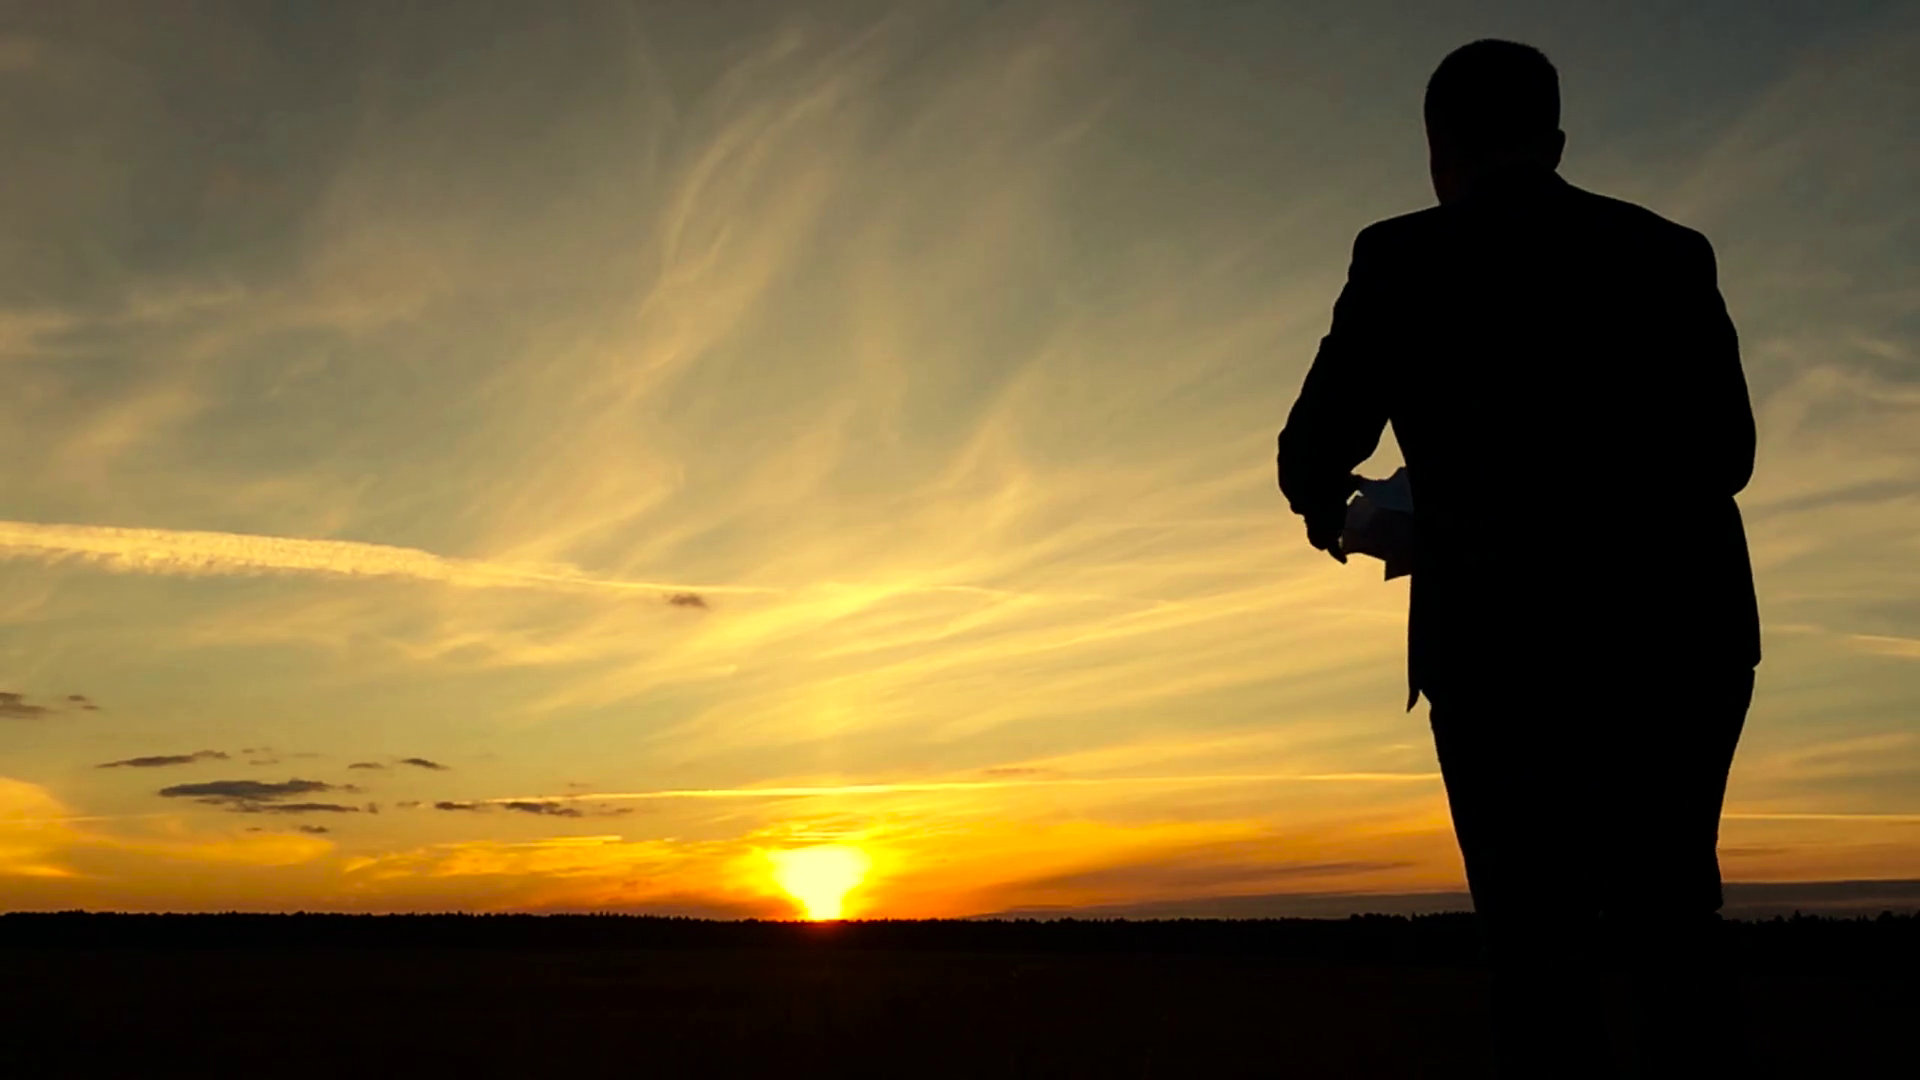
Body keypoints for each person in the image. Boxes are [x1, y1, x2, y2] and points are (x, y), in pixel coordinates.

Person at [1275, 39, 1762, 1080]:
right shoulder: (1671, 254)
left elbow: (1313, 451)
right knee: (1674, 922)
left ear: (1439, 148)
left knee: (1537, 952)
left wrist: (1343, 514)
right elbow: (1729, 453)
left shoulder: (1402, 258)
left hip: (1501, 647)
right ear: (1554, 141)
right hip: (1683, 641)